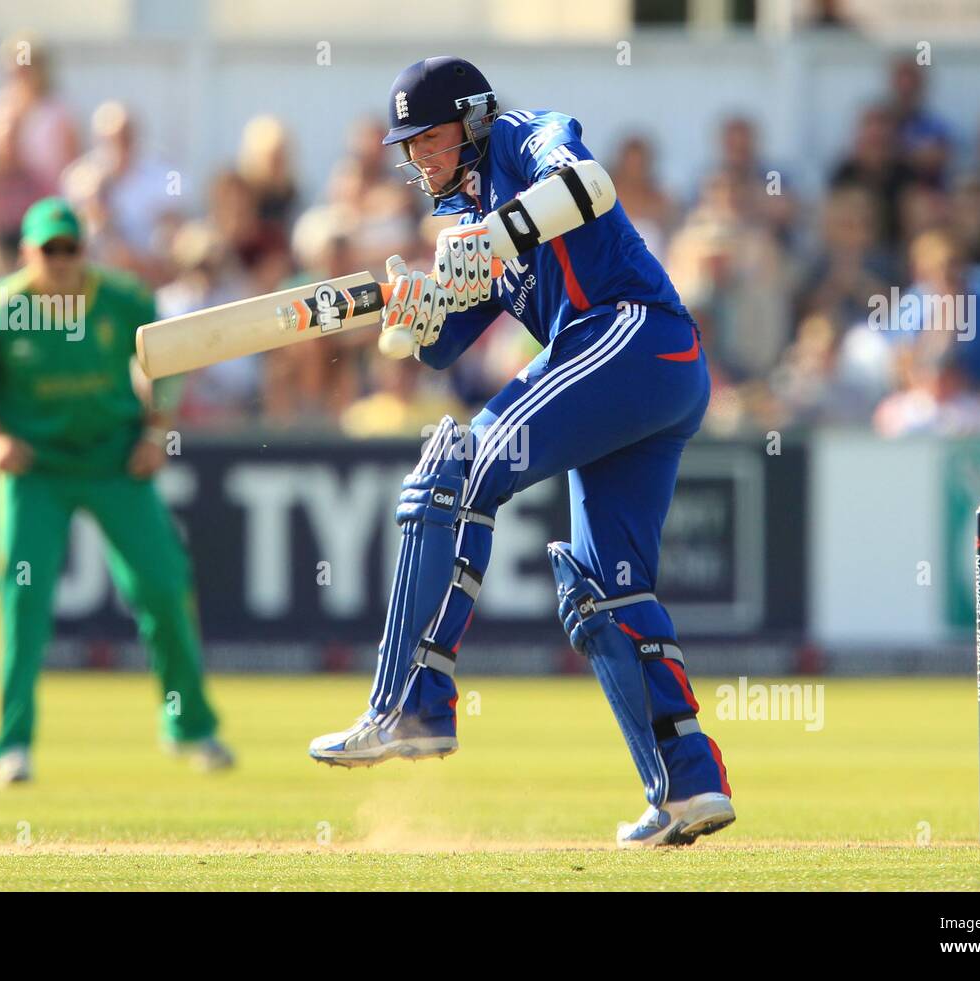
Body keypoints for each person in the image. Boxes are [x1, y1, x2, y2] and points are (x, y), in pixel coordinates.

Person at [307, 57, 733, 848]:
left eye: (432, 138)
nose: (423, 159)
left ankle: (412, 702)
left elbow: (592, 188)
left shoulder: (525, 138)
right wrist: (419, 309)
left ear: (471, 120)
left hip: (630, 333)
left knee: (454, 469)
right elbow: (441, 350)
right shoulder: (465, 222)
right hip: (648, 377)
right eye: (411, 147)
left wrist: (493, 235)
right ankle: (688, 784)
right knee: (602, 588)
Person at [0, 197, 232, 786]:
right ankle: (11, 745)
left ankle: (189, 724)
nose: (63, 260)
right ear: (27, 252)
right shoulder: (1, 308)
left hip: (113, 461)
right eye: (50, 250)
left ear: (83, 249)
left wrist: (156, 429)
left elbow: (166, 361)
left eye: (71, 247)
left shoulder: (122, 299)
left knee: (164, 582)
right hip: (35, 468)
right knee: (21, 599)